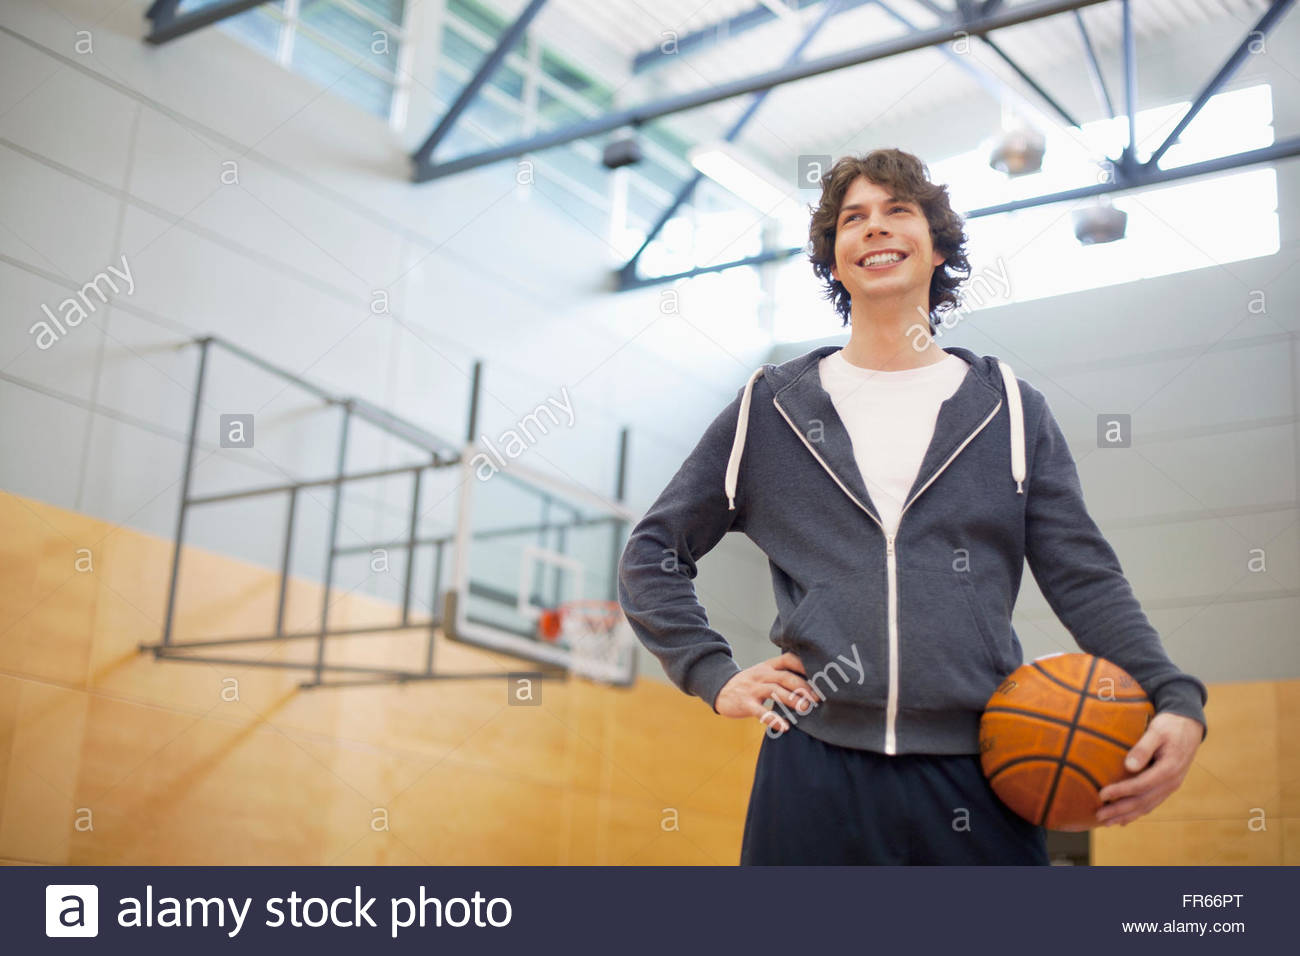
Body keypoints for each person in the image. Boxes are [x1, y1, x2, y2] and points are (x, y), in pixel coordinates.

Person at [616, 148, 1208, 865]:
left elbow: (1085, 576)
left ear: (936, 248)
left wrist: (1175, 696)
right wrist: (712, 672)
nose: (875, 229)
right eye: (853, 219)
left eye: (898, 211)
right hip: (811, 770)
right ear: (835, 262)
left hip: (980, 776)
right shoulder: (770, 409)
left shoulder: (1012, 411)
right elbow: (652, 554)